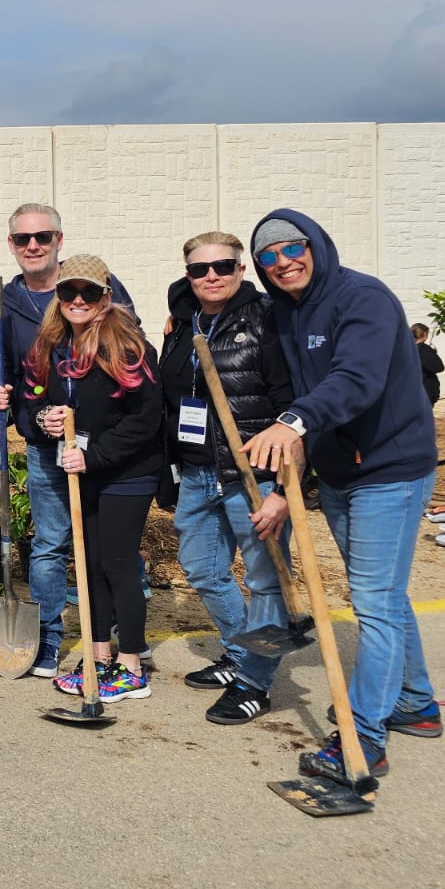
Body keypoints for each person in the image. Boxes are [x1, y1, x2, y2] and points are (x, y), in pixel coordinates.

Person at [243, 210, 442, 787]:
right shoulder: (284, 312)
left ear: (316, 244)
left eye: (292, 248)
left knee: (375, 603)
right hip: (338, 472)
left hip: (390, 469)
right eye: (269, 257)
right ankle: (415, 701)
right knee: (383, 595)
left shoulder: (364, 299)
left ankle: (366, 740)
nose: (283, 262)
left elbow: (357, 380)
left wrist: (294, 422)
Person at [0, 204, 138, 677]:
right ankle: (50, 638)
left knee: (108, 544)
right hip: (45, 442)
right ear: (11, 245)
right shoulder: (3, 309)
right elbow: (0, 372)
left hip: (103, 445)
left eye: (43, 237)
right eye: (23, 239)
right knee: (50, 543)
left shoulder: (94, 288)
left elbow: (132, 355)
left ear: (58, 240)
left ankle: (119, 636)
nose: (33, 246)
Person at [158, 232, 295, 723]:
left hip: (253, 477)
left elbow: (292, 407)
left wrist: (283, 491)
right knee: (203, 569)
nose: (211, 276)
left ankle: (255, 682)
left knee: (265, 582)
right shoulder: (183, 323)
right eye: (199, 269)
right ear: (187, 275)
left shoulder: (266, 321)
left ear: (241, 269)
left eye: (222, 266)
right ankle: (240, 654)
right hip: (197, 472)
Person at [15, 254, 161, 703]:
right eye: (68, 292)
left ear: (106, 298)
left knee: (117, 565)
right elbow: (32, 401)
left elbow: (146, 419)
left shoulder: (128, 348)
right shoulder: (51, 348)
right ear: (57, 298)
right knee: (91, 566)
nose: (78, 300)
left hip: (127, 474)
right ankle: (99, 658)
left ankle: (132, 665)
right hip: (86, 470)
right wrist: (47, 418)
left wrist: (93, 454)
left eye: (89, 293)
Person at [412, 324, 444, 406]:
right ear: (425, 334)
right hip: (424, 390)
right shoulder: (423, 350)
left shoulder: (403, 348)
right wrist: (433, 353)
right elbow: (439, 367)